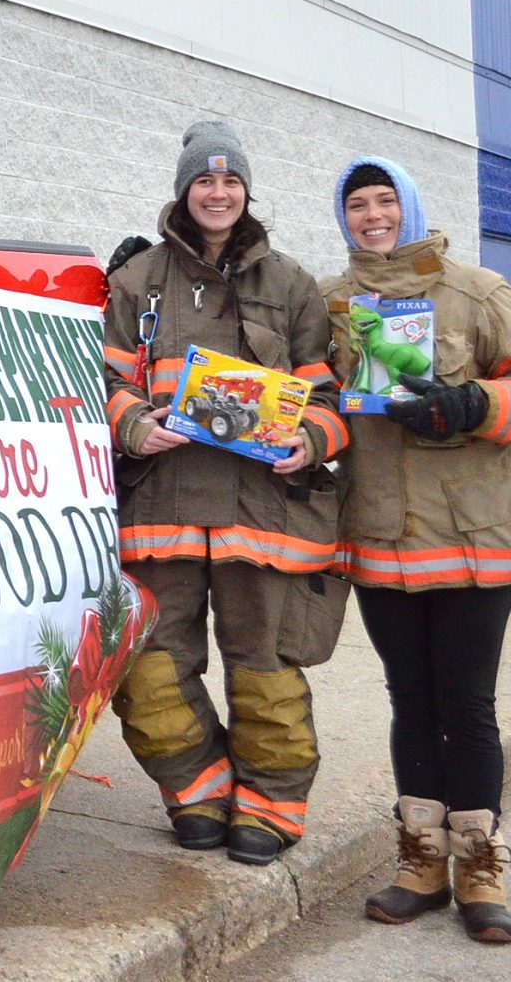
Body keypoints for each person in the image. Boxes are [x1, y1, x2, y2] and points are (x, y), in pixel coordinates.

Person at [323, 156, 511, 944]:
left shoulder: (477, 291)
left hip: (474, 539)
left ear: (412, 206)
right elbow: (308, 394)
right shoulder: (332, 303)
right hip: (381, 537)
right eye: (357, 204)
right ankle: (421, 862)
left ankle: (481, 867)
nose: (373, 216)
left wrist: (473, 403)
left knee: (465, 706)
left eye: (384, 201)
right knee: (410, 701)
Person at [101, 121, 351, 866]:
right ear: (184, 190)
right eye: (204, 181)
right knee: (148, 668)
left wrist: (309, 440)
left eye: (230, 181)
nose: (217, 193)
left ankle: (271, 804)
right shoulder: (136, 280)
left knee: (265, 664)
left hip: (260, 513)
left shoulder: (293, 285)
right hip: (162, 507)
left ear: (247, 192)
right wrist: (133, 425)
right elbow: (101, 382)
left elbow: (329, 396)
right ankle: (197, 788)